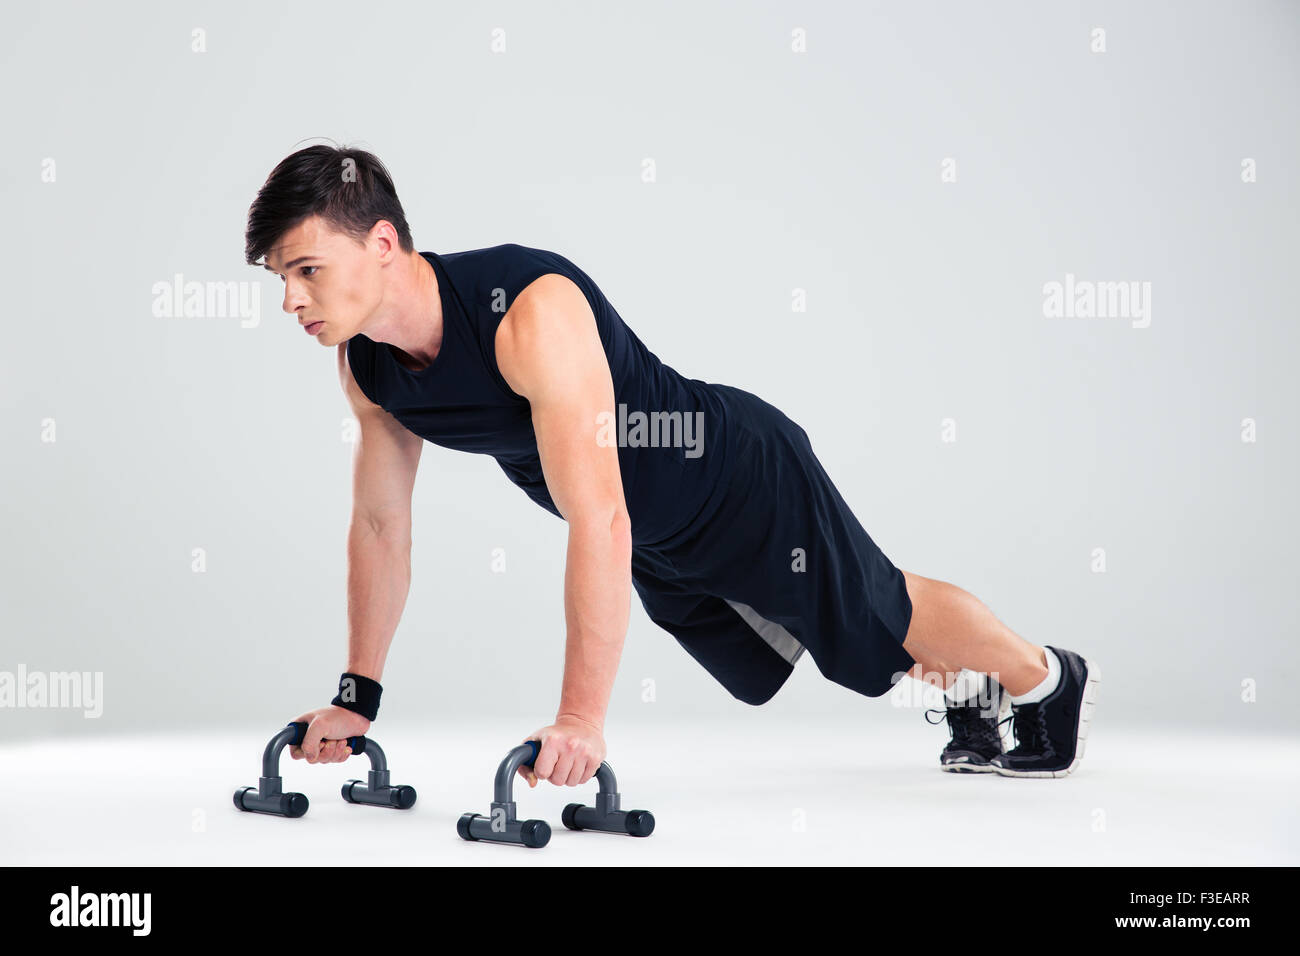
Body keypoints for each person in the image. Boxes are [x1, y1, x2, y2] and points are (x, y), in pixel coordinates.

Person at [244, 143, 1099, 787]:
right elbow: (381, 525)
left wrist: (581, 719)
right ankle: (976, 699)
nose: (291, 300)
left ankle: (1047, 682)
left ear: (383, 242)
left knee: (880, 611)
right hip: (654, 541)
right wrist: (360, 693)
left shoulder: (527, 313)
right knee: (855, 653)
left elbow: (597, 516)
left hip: (736, 481)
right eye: (282, 277)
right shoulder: (368, 367)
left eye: (307, 269)